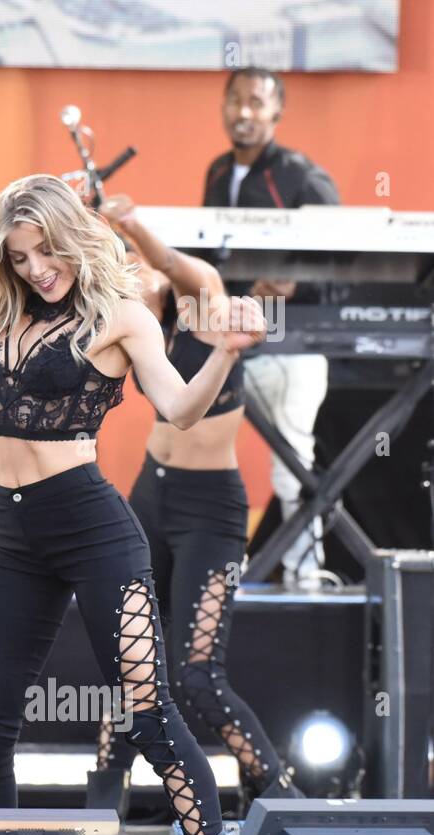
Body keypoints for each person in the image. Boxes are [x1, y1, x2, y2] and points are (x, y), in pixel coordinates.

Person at [0, 174, 263, 835]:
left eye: (47, 252)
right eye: (19, 257)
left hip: (94, 528)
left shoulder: (121, 315)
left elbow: (182, 408)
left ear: (71, 240)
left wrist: (224, 352)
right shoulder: (3, 314)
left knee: (149, 711)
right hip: (16, 540)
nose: (37, 268)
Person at [86, 195, 303, 817]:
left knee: (198, 676)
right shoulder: (131, 327)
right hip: (151, 497)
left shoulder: (205, 307)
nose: (136, 270)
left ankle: (282, 795)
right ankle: (105, 798)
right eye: (124, 263)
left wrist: (128, 224)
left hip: (212, 509)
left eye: (141, 263)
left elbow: (179, 265)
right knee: (131, 659)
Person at [203, 66, 340, 587]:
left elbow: (347, 261)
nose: (244, 112)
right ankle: (208, 570)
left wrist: (293, 286)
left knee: (292, 458)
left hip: (294, 343)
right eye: (235, 100)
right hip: (232, 343)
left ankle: (307, 576)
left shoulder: (302, 176)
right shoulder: (218, 172)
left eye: (257, 103)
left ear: (277, 113)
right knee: (200, 448)